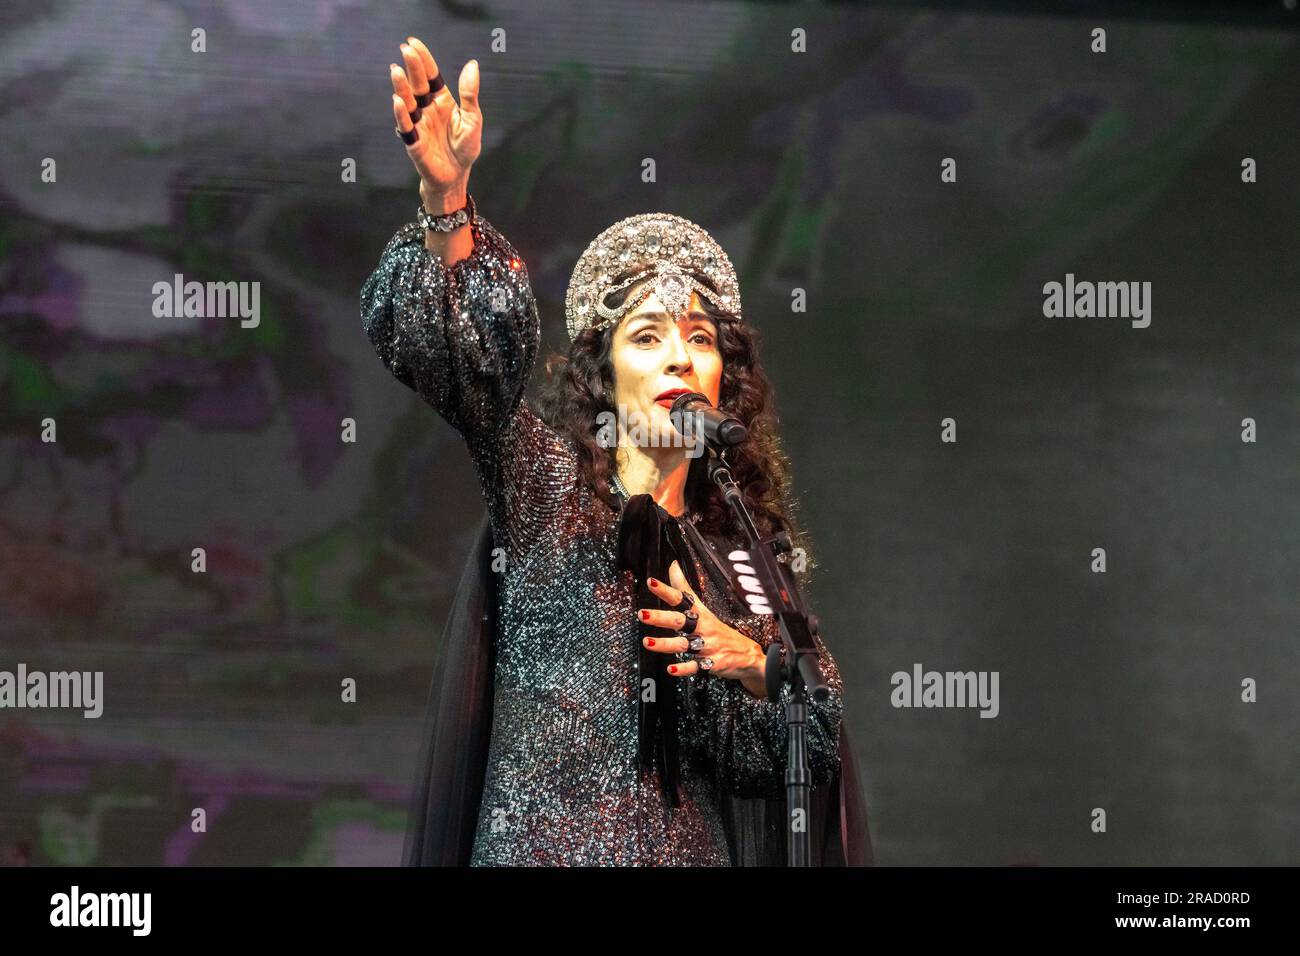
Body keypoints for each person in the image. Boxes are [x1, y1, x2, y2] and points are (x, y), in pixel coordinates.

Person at [362, 35, 872, 866]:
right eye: (648, 337)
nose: (680, 355)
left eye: (700, 338)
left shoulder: (743, 560)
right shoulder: (549, 495)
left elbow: (808, 747)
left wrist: (755, 663)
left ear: (722, 377)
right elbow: (470, 377)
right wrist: (448, 204)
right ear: (605, 378)